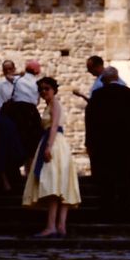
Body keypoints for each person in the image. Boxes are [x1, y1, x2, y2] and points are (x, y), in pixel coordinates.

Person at [22, 77, 81, 237]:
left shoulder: (54, 103)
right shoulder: (49, 105)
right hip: (54, 142)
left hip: (54, 143)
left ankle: (52, 226)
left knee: (53, 183)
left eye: (47, 88)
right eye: (41, 89)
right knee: (58, 183)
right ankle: (60, 226)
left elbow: (54, 125)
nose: (43, 91)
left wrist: (48, 146)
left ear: (54, 89)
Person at [85, 66, 130, 222]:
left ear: (104, 80)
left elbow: (90, 122)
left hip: (103, 145)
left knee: (106, 179)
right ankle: (125, 213)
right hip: (126, 145)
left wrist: (89, 144)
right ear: (117, 78)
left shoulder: (97, 95)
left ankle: (107, 213)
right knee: (125, 178)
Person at [0, 59, 43, 170]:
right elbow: (38, 101)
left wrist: (19, 73)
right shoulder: (37, 83)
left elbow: (8, 76)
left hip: (18, 112)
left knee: (19, 141)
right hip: (32, 112)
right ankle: (30, 171)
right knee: (32, 145)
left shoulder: (18, 79)